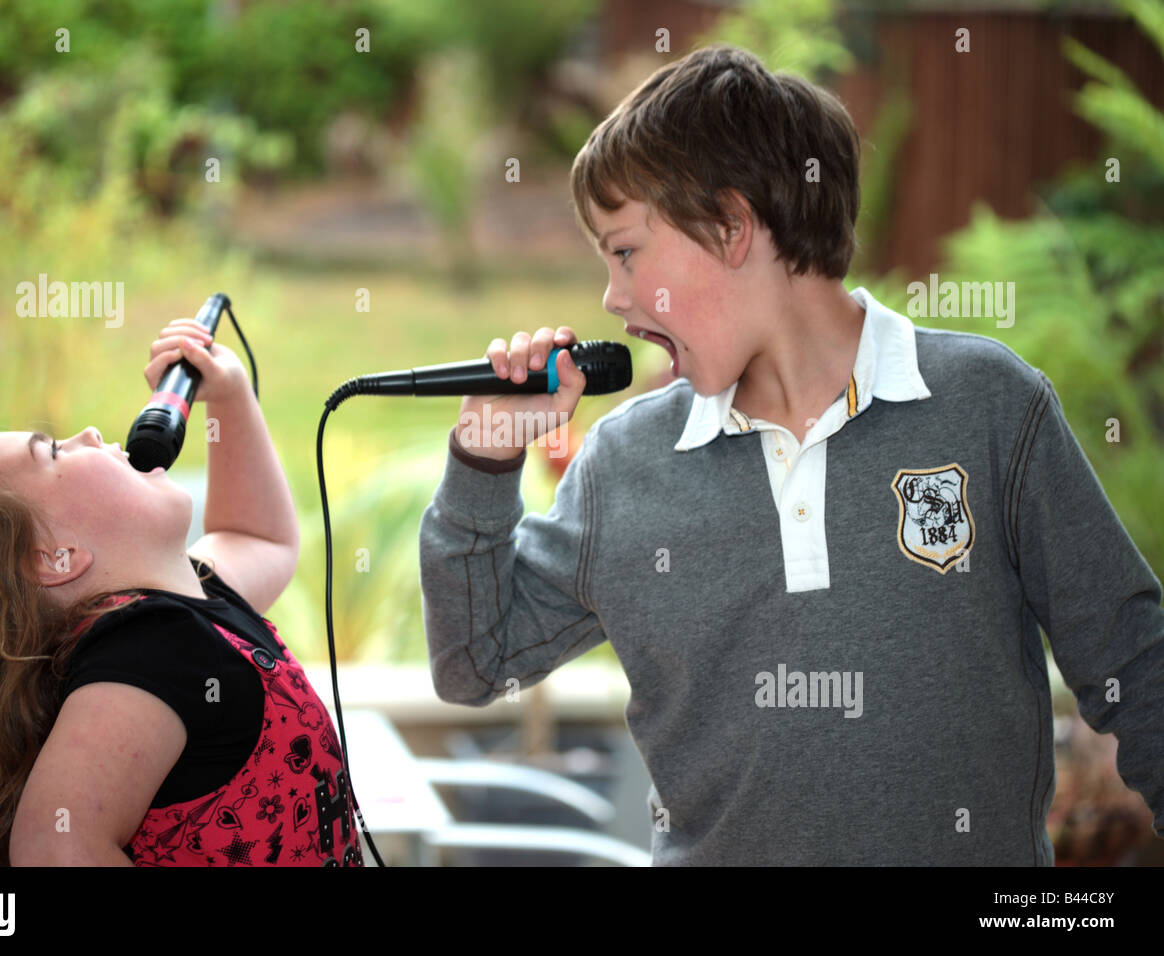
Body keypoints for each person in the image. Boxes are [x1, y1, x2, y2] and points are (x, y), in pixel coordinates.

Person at [417, 43, 1164, 865]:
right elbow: (474, 663)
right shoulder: (626, 467)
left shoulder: (987, 408)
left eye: (626, 251)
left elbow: (1136, 664)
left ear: (733, 228)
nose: (613, 299)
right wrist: (484, 458)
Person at [0, 320, 362, 866]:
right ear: (55, 558)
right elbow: (52, 846)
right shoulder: (150, 653)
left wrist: (228, 397)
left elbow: (259, 537)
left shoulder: (187, 604)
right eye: (54, 452)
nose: (87, 433)